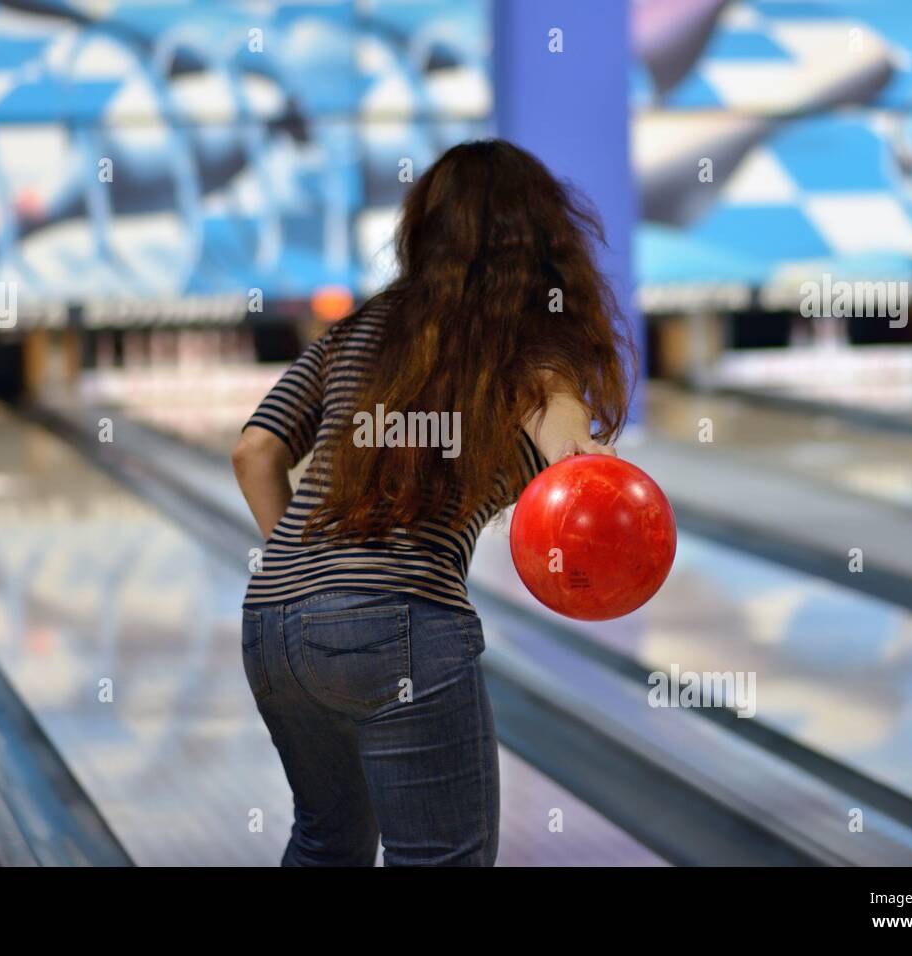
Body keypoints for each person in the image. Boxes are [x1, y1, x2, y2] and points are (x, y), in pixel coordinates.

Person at [232, 139, 631, 866]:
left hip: (273, 623)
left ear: (425, 229)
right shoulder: (534, 349)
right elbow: (573, 460)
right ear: (544, 241)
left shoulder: (355, 331)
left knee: (328, 844)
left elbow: (255, 451)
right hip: (401, 626)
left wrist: (311, 580)